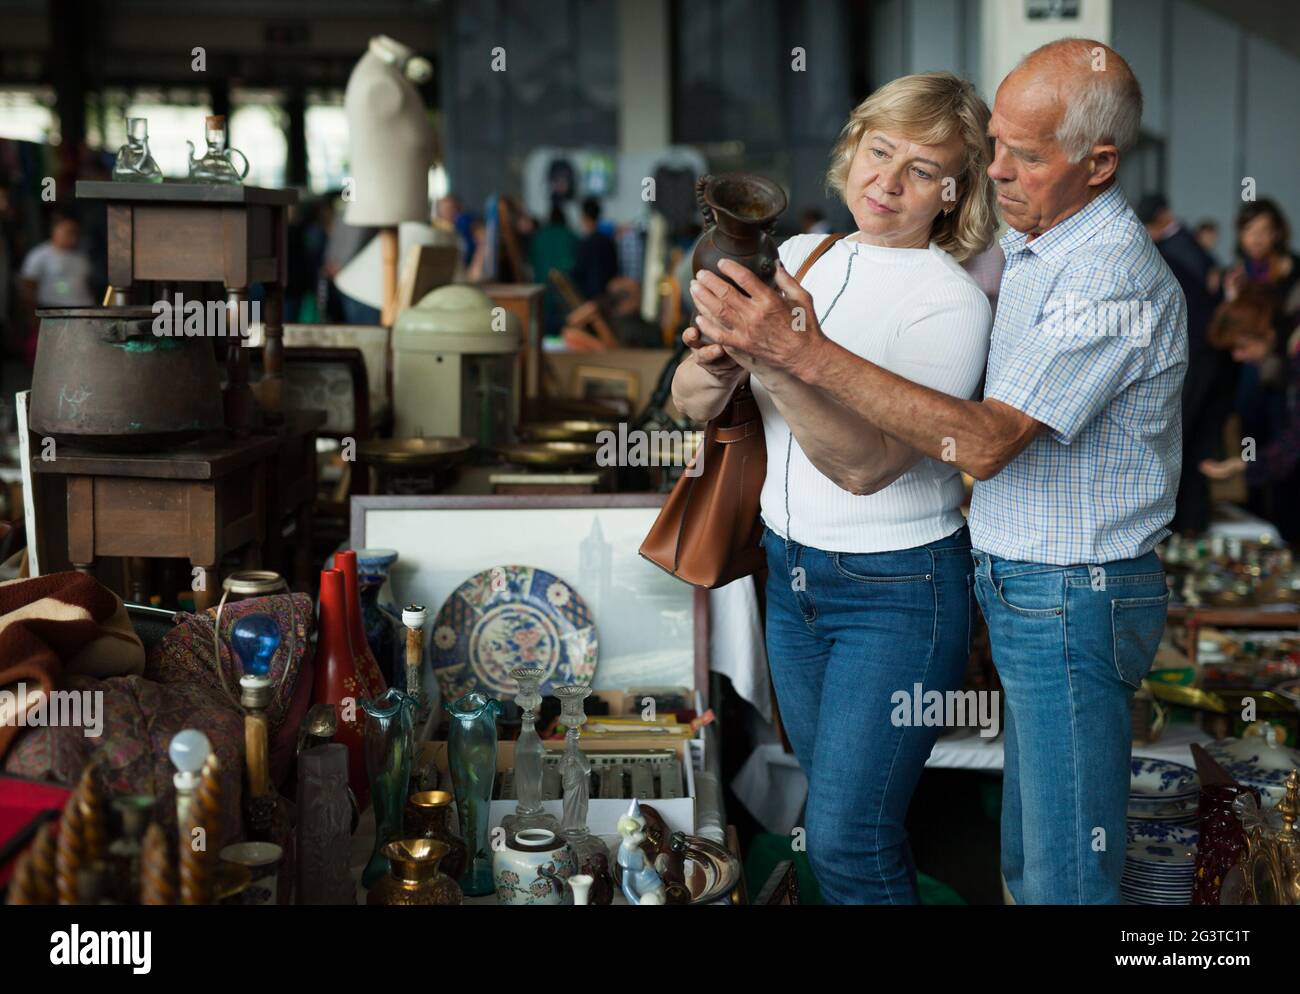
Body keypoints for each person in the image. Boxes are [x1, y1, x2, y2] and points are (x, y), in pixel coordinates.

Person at [692, 39, 1186, 904]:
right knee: (1030, 869)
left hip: (1065, 589)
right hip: (1014, 582)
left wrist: (791, 354)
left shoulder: (1101, 274)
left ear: (1100, 162)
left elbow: (982, 443)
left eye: (1021, 156)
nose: (996, 172)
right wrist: (739, 359)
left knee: (1054, 876)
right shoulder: (1043, 249)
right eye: (994, 144)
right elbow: (697, 400)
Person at [675, 70, 997, 903]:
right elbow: (686, 403)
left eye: (922, 169)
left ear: (955, 193)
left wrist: (776, 357)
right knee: (832, 823)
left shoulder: (951, 304)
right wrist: (720, 361)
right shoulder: (795, 255)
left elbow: (863, 468)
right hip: (792, 576)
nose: (887, 181)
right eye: (879, 150)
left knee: (853, 841)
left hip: (899, 593)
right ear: (851, 149)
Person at [1137, 193, 1229, 533]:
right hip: (1204, 355)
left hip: (1195, 354)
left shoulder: (1174, 248)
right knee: (1192, 439)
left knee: (1182, 436)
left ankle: (1182, 523)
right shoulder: (1187, 242)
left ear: (1161, 217)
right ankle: (1190, 520)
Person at [1200, 287, 1300, 542]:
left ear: (1265, 333)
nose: (1238, 356)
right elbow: (1250, 423)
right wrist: (1246, 460)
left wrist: (1247, 463)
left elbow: (1294, 438)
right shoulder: (1267, 368)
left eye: (1242, 346)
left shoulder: (1291, 359)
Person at [572, 197, 619, 302]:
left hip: (588, 298)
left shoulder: (584, 244)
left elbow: (578, 272)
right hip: (608, 296)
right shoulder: (608, 241)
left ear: (584, 218)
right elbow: (615, 268)